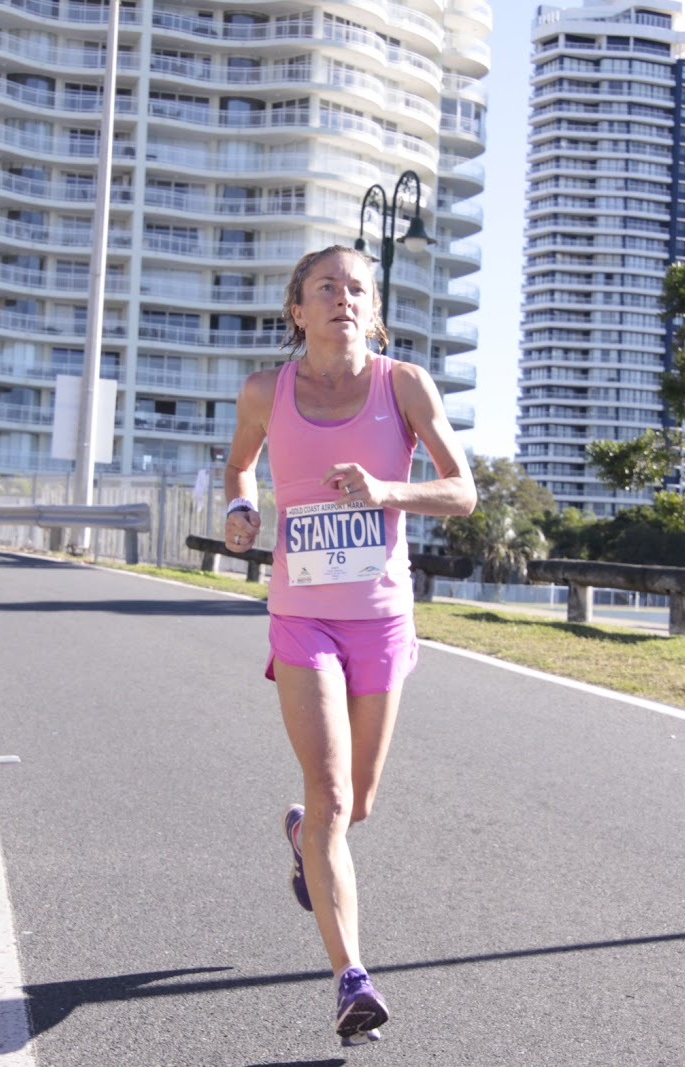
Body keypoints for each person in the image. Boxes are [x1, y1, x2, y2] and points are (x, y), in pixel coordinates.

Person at [221, 245, 476, 1045]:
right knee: (330, 791)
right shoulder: (268, 391)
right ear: (297, 308)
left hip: (382, 617)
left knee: (356, 803)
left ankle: (303, 837)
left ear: (373, 307)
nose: (342, 297)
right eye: (324, 286)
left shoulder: (404, 386)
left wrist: (388, 490)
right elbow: (239, 468)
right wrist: (240, 510)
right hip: (303, 617)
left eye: (356, 287)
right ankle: (350, 978)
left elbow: (463, 490)